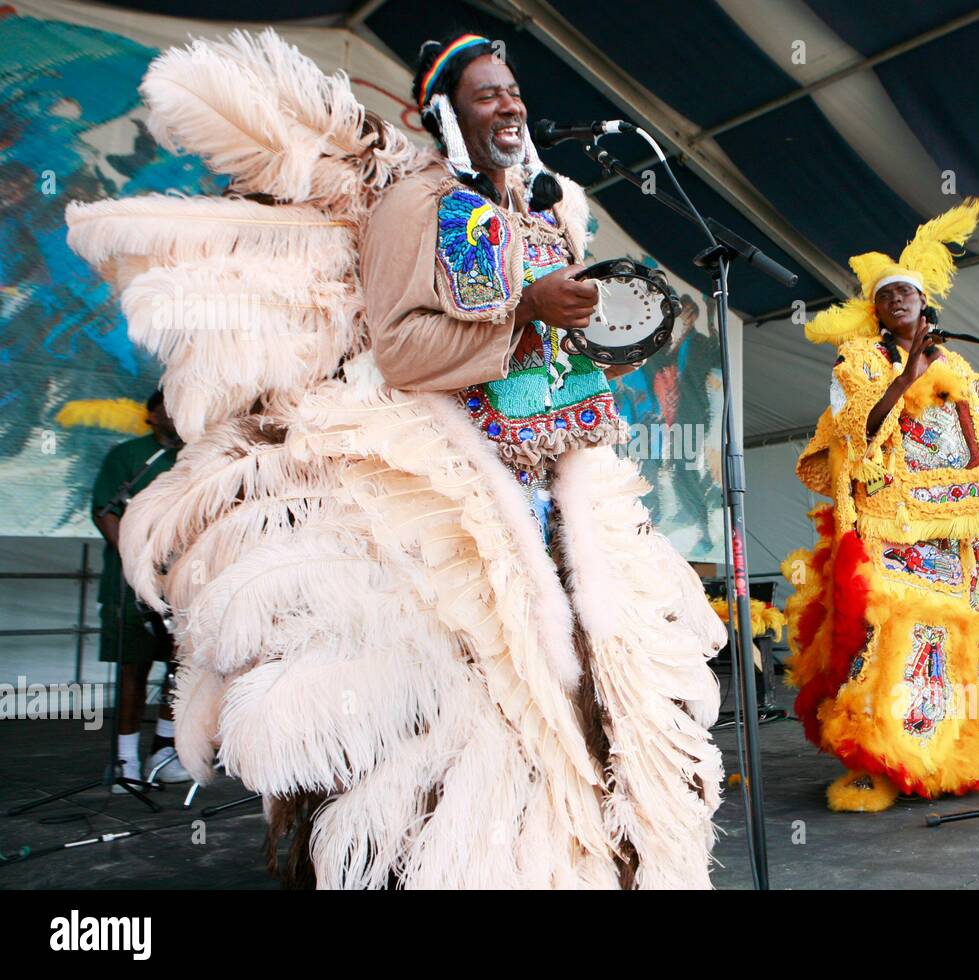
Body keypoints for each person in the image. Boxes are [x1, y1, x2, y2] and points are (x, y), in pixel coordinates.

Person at [72, 29, 724, 889]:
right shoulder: (420, 203)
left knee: (611, 693)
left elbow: (550, 356)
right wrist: (525, 307)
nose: (511, 105)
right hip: (461, 491)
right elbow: (405, 349)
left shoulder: (542, 211)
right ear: (443, 111)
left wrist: (602, 329)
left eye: (515, 91)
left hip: (567, 483)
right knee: (497, 712)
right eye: (489, 93)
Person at [782, 198, 979, 812]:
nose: (899, 302)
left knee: (977, 644)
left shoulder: (966, 368)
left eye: (908, 294)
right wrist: (907, 373)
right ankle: (886, 759)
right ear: (875, 310)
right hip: (896, 528)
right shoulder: (859, 362)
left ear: (926, 305)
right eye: (887, 295)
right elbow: (853, 433)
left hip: (969, 533)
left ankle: (952, 760)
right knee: (897, 641)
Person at [90, 390, 189, 790]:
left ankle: (163, 751)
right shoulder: (128, 455)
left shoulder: (198, 458)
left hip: (183, 583)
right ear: (151, 415)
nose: (180, 412)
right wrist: (135, 561)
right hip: (129, 584)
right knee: (134, 668)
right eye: (171, 405)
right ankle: (125, 761)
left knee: (182, 667)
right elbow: (104, 510)